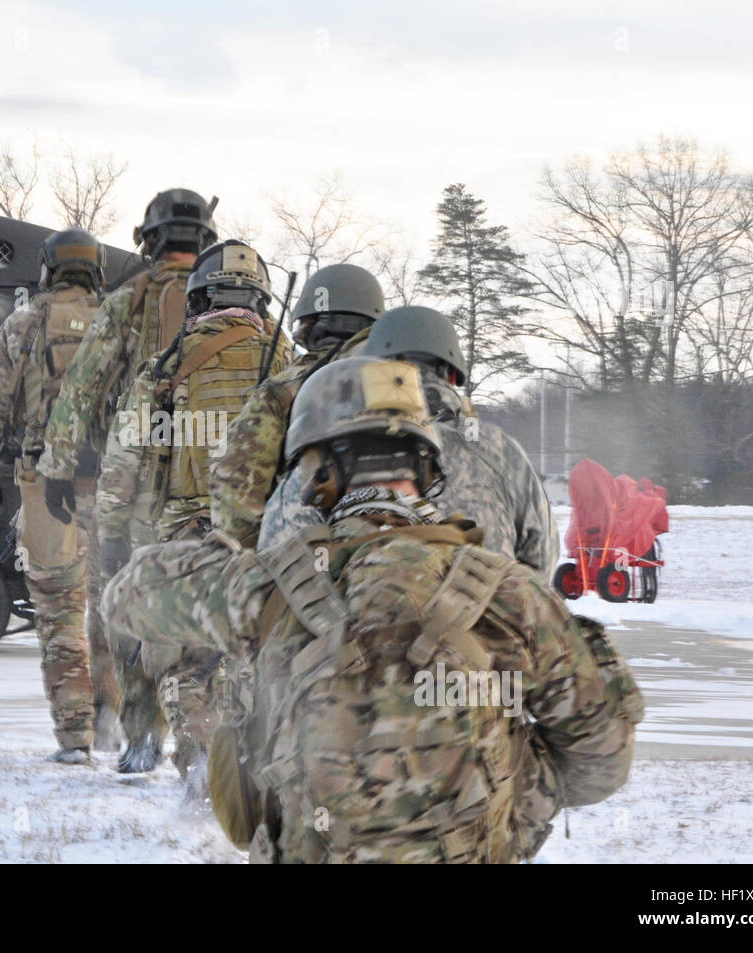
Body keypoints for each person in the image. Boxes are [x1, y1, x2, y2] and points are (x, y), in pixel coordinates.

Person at [103, 356, 641, 862]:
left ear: (320, 474)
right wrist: (505, 800)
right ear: (429, 471)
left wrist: (223, 551)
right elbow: (601, 760)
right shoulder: (514, 596)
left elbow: (127, 596)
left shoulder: (263, 589)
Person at [96, 238, 290, 778]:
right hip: (263, 534)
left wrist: (111, 533)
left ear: (200, 296)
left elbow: (123, 459)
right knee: (253, 652)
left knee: (176, 654)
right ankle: (245, 766)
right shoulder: (290, 359)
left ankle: (186, 756)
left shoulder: (168, 363)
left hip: (182, 529)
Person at [37, 188, 217, 769]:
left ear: (149, 240)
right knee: (205, 618)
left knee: (128, 612)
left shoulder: (127, 300)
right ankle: (203, 747)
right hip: (219, 496)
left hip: (139, 487)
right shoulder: (237, 307)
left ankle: (140, 739)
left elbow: (83, 388)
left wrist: (57, 468)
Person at [255, 305, 560, 578]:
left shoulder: (330, 450)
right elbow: (541, 562)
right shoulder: (500, 451)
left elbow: (274, 562)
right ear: (453, 377)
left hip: (346, 632)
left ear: (372, 373)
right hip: (484, 629)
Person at [0, 228, 118, 763]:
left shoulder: (24, 323)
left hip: (45, 487)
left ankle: (75, 738)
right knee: (114, 607)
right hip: (118, 487)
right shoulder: (123, 322)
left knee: (58, 611)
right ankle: (117, 724)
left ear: (48, 269)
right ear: (98, 270)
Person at [210, 262, 384, 546]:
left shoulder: (286, 387)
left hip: (312, 552)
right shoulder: (405, 379)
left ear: (309, 323)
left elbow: (235, 483)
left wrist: (249, 556)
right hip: (410, 542)